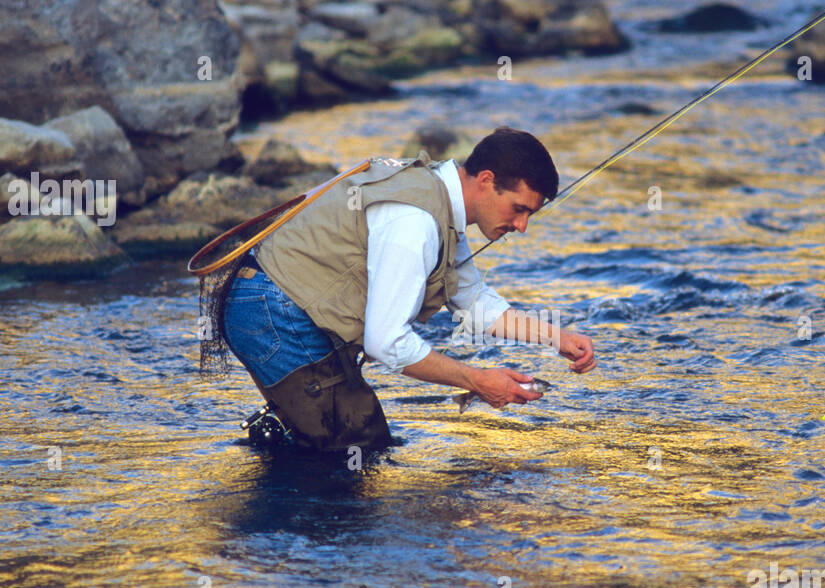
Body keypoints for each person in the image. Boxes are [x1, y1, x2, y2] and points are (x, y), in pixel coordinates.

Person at [218, 127, 597, 451]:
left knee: (345, 442)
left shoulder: (441, 202)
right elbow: (386, 341)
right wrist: (476, 380)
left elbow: (472, 302)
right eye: (519, 209)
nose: (522, 225)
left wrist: (557, 339)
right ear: (486, 180)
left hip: (278, 303)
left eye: (529, 213)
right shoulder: (415, 222)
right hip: (271, 308)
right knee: (358, 442)